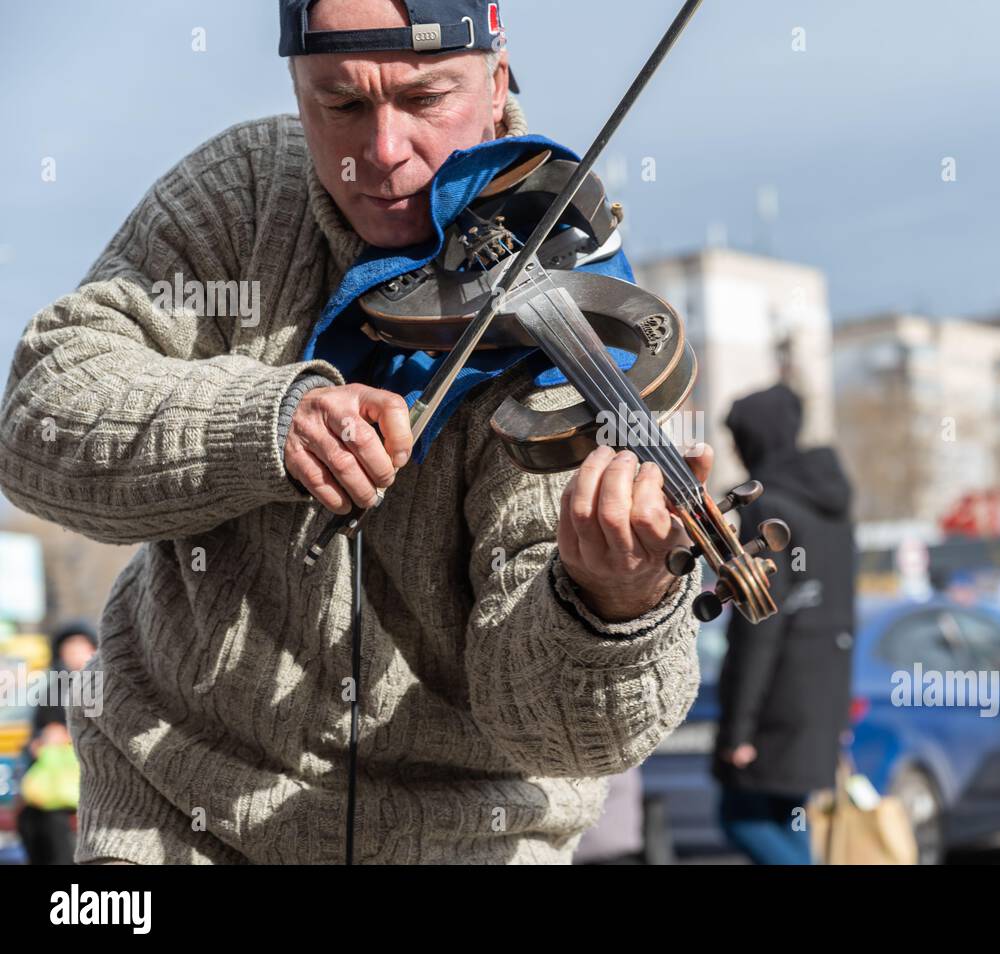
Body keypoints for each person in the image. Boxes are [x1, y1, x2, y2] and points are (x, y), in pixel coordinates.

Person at [0, 0, 708, 864]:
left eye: (425, 99)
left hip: (467, 840)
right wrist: (261, 422)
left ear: (496, 74)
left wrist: (611, 606)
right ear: (296, 86)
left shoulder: (571, 303)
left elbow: (565, 735)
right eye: (340, 104)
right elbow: (38, 415)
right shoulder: (241, 194)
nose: (382, 154)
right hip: (171, 807)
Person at [711, 384, 856, 865]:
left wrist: (739, 728)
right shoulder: (831, 506)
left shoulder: (766, 507)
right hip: (821, 694)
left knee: (742, 818)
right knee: (787, 814)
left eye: (738, 439)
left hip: (776, 702)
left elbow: (761, 625)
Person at [17, 621, 98, 865]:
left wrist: (69, 738)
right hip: (55, 783)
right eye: (69, 648)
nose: (74, 655)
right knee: (31, 820)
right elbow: (36, 734)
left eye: (80, 648)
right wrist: (41, 742)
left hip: (92, 780)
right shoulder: (54, 690)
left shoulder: (104, 686)